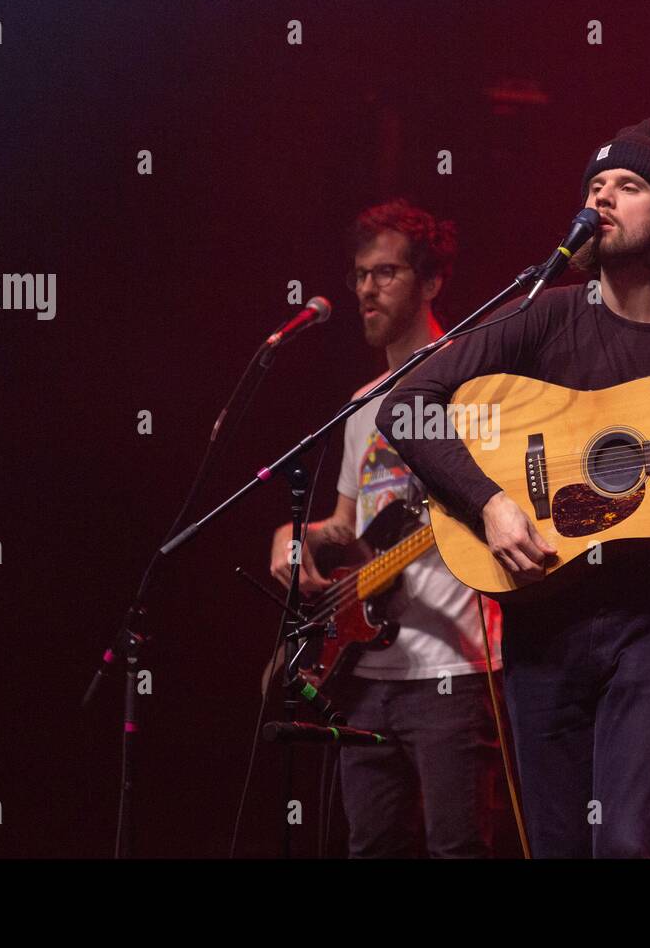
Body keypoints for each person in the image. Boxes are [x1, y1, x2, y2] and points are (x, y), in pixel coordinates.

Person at [375, 119, 650, 858]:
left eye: (628, 186)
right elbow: (404, 405)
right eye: (594, 186)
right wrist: (490, 503)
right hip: (542, 622)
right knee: (555, 848)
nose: (603, 196)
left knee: (624, 842)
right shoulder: (542, 317)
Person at [268, 199, 504, 857]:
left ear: (431, 281)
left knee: (458, 847)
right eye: (360, 274)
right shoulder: (359, 407)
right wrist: (294, 537)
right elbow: (348, 526)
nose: (367, 288)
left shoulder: (474, 383)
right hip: (365, 674)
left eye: (387, 272)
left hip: (454, 670)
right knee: (369, 848)